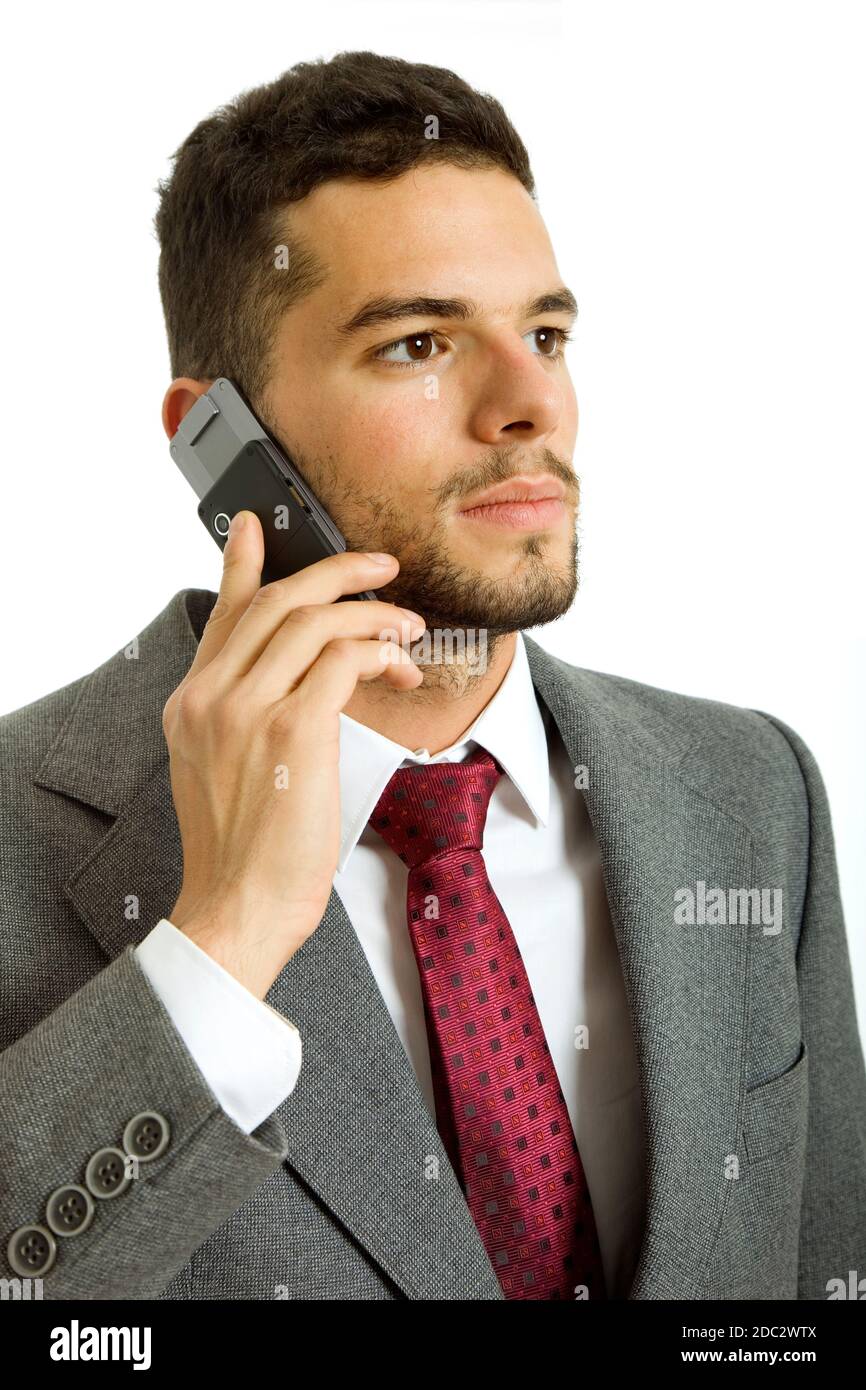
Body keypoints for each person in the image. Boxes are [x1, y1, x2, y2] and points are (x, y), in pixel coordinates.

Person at [1, 50, 864, 1302]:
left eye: (546, 333)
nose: (531, 406)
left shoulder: (750, 789)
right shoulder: (20, 824)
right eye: (417, 343)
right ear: (216, 434)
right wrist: (220, 941)